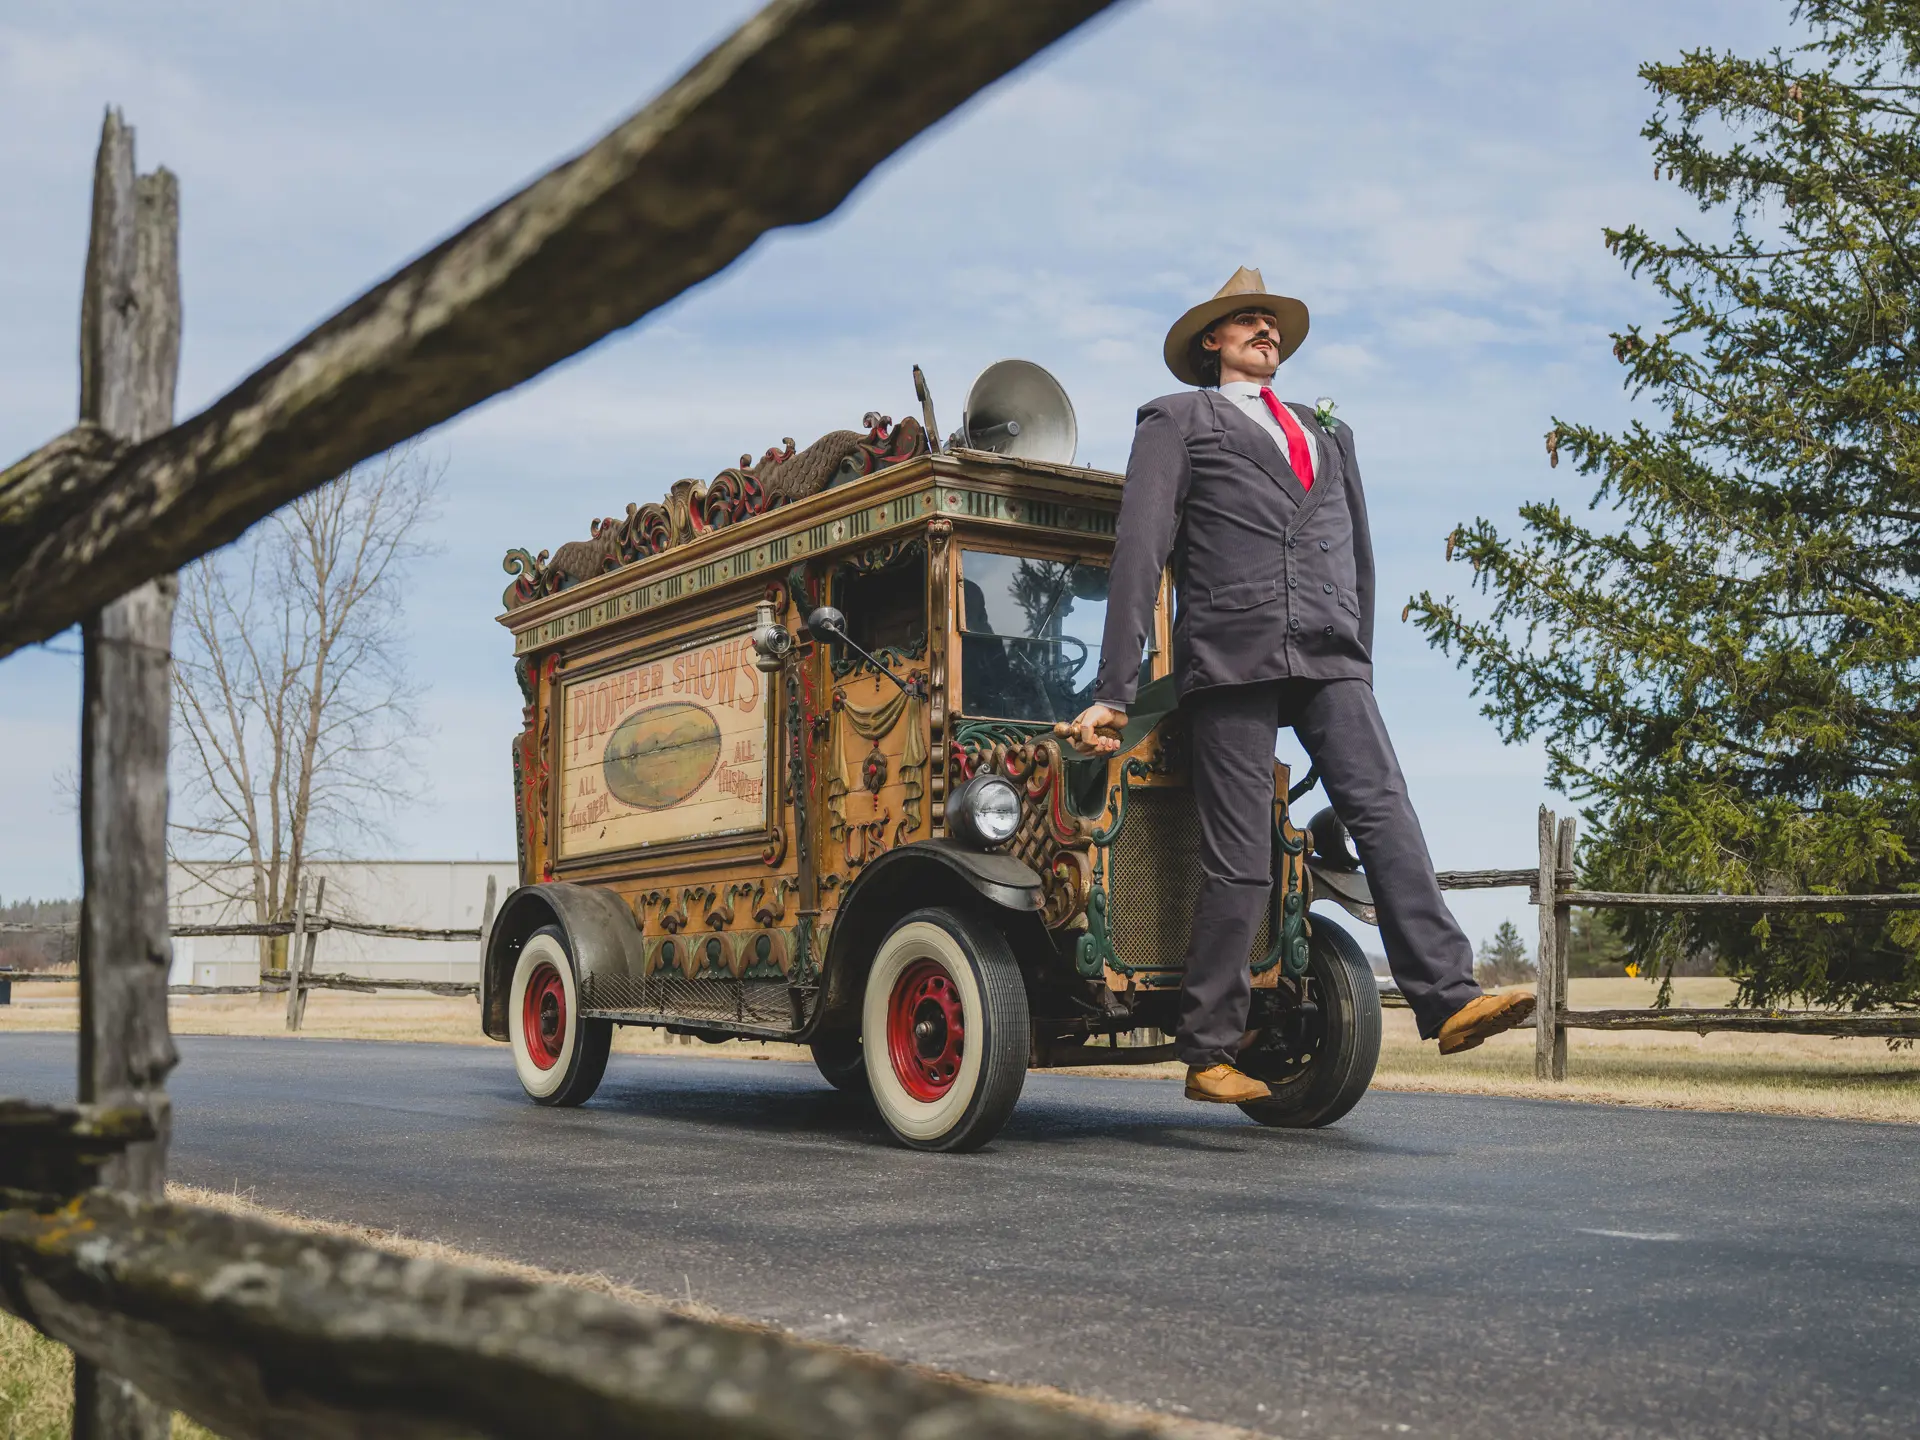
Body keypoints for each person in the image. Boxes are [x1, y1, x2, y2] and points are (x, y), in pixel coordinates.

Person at [1065, 267, 1535, 1104]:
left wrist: (1362, 654)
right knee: (1241, 859)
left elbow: (1359, 555)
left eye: (1273, 322)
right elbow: (1139, 553)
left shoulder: (1331, 431)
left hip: (1330, 652)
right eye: (1247, 321)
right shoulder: (1176, 420)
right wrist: (1115, 688)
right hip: (1231, 653)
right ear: (1211, 341)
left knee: (1384, 809)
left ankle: (1450, 997)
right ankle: (1209, 1051)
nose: (1266, 332)